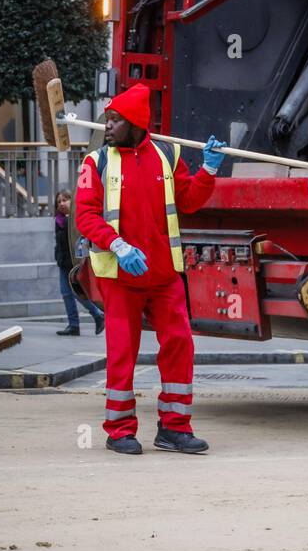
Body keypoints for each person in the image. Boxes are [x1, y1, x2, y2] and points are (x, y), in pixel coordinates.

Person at [74, 83, 224, 456]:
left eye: (114, 120)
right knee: (122, 351)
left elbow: (189, 201)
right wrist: (119, 245)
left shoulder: (168, 154)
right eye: (107, 120)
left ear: (137, 122)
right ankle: (119, 430)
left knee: (180, 344)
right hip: (119, 276)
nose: (106, 127)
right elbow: (85, 216)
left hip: (164, 276)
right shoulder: (96, 162)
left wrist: (207, 169)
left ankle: (174, 428)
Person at [53, 189, 104, 336]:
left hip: (76, 263)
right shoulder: (59, 220)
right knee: (66, 294)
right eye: (59, 201)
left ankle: (97, 315)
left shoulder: (76, 219)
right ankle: (74, 325)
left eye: (65, 200)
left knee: (78, 294)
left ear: (72, 201)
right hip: (63, 263)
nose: (62, 204)